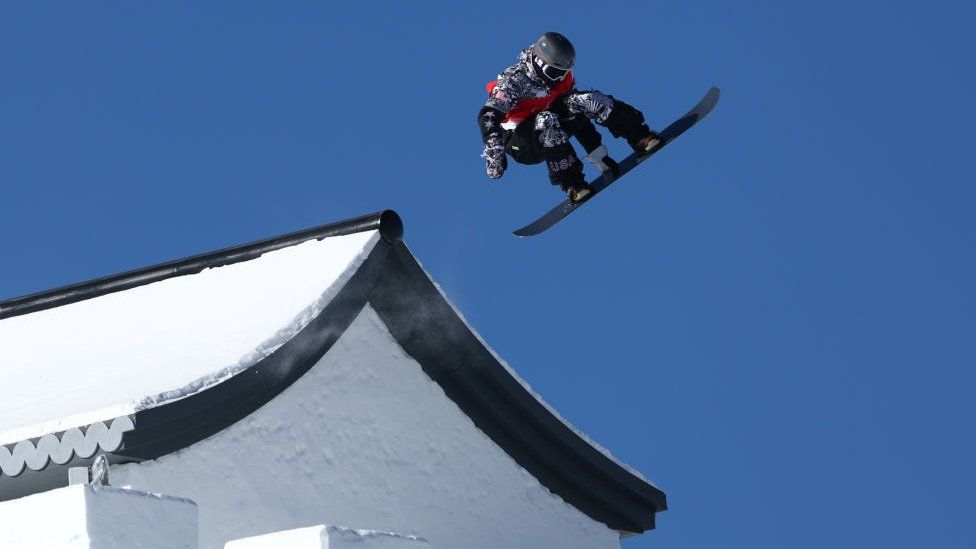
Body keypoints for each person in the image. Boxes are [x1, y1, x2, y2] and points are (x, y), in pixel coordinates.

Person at [478, 32, 662, 203]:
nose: (560, 78)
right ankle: (572, 183)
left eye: (564, 72)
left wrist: (597, 152)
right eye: (555, 72)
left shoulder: (562, 80)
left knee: (587, 100)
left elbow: (579, 117)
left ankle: (639, 136)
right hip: (522, 142)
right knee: (546, 120)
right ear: (540, 64)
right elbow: (488, 115)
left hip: (553, 124)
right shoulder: (515, 83)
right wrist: (495, 151)